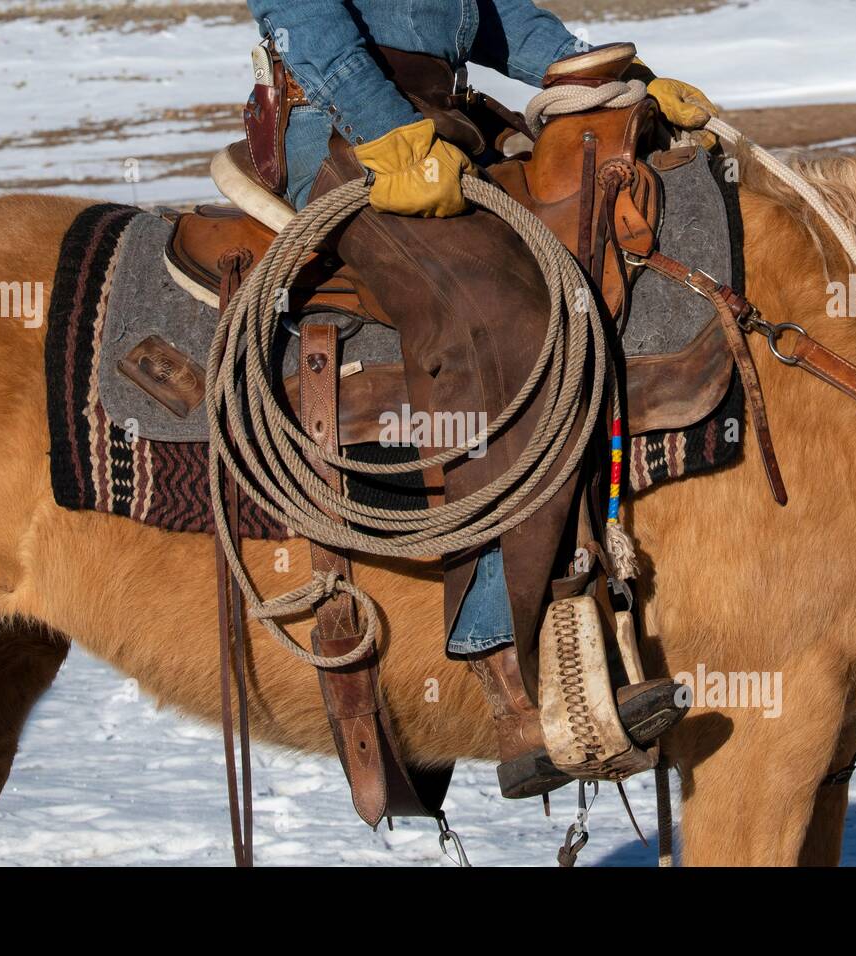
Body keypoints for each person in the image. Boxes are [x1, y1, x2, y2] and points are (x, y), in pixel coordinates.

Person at [246, 0, 717, 797]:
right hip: (342, 132)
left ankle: (584, 602)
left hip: (445, 126)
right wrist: (382, 127)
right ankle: (512, 677)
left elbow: (485, 17)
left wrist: (603, 74)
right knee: (500, 317)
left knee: (588, 262)